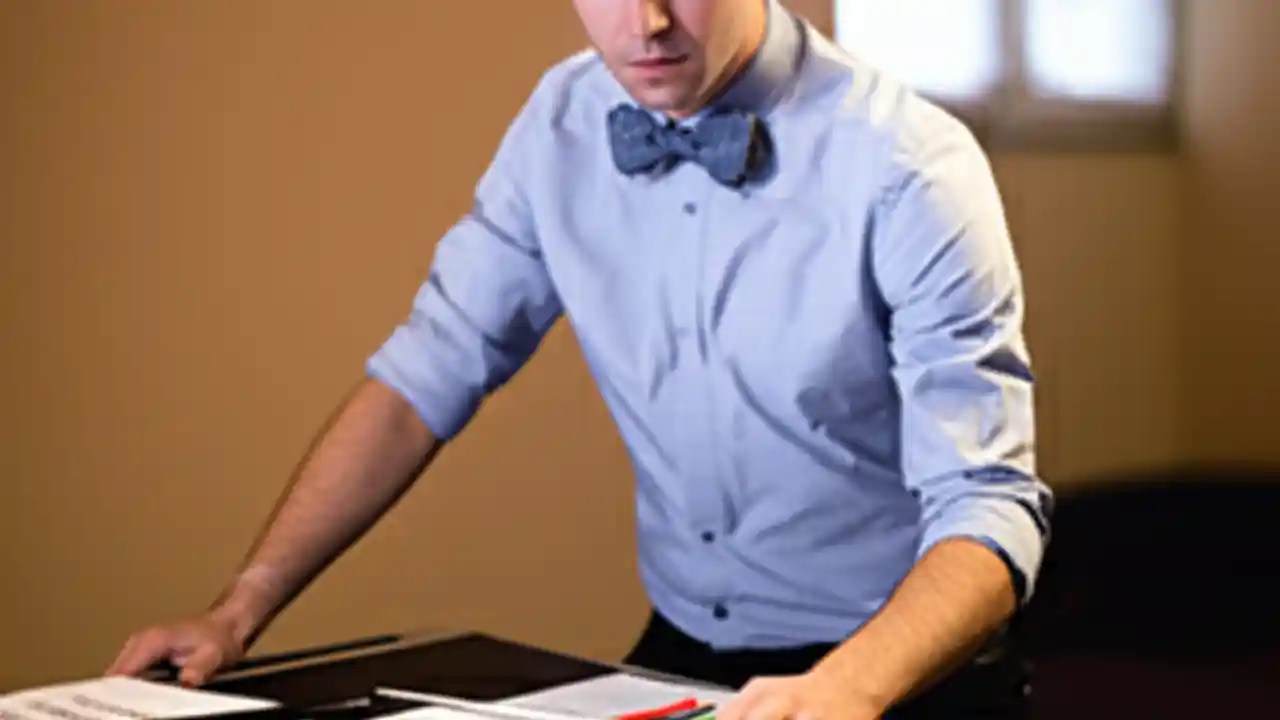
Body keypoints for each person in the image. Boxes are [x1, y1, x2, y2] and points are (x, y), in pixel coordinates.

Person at [107, 1, 1052, 717]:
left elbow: (991, 504)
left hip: (901, 671)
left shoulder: (909, 164)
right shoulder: (559, 125)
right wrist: (239, 612)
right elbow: (423, 376)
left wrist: (845, 689)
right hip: (683, 649)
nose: (642, 23)